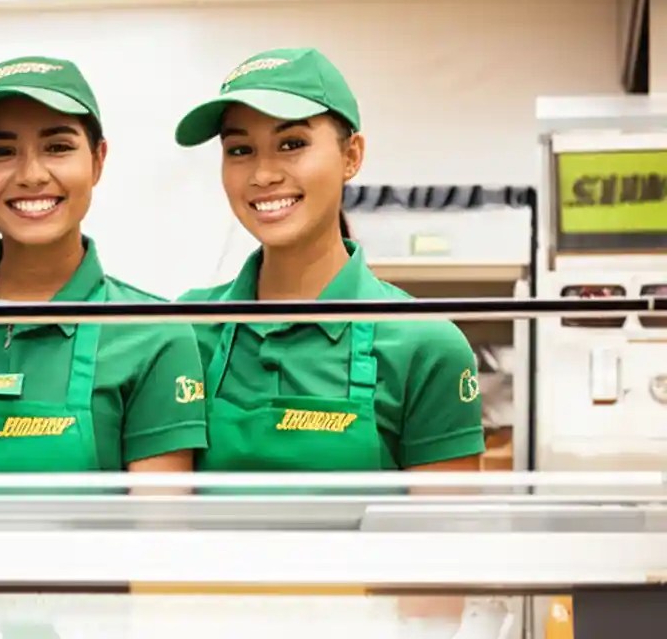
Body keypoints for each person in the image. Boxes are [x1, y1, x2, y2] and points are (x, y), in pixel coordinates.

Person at [0, 56, 208, 475]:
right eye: (1, 152)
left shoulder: (154, 333)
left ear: (98, 161)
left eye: (57, 147)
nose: (31, 175)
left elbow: (157, 527)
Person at [175, 47, 485, 473]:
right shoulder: (184, 333)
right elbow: (162, 523)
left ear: (351, 156)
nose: (263, 174)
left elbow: (445, 533)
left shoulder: (425, 345)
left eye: (292, 144)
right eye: (240, 150)